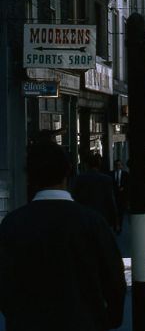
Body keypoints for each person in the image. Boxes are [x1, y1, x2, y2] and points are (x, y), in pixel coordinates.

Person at [0, 138, 126, 330]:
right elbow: (114, 278)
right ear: (68, 171)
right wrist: (110, 318)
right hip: (83, 322)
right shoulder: (92, 222)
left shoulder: (12, 224)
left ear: (29, 176)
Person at [72, 152, 118, 230]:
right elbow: (110, 201)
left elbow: (75, 198)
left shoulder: (80, 179)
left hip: (85, 218)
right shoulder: (106, 179)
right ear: (99, 165)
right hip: (102, 217)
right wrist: (116, 222)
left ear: (86, 165)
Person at [110, 159, 129, 234]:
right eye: (116, 165)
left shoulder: (125, 174)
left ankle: (119, 226)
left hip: (122, 196)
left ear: (122, 166)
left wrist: (123, 188)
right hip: (114, 195)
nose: (118, 166)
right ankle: (115, 226)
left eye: (119, 165)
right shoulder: (111, 174)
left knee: (120, 212)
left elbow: (128, 185)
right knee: (114, 212)